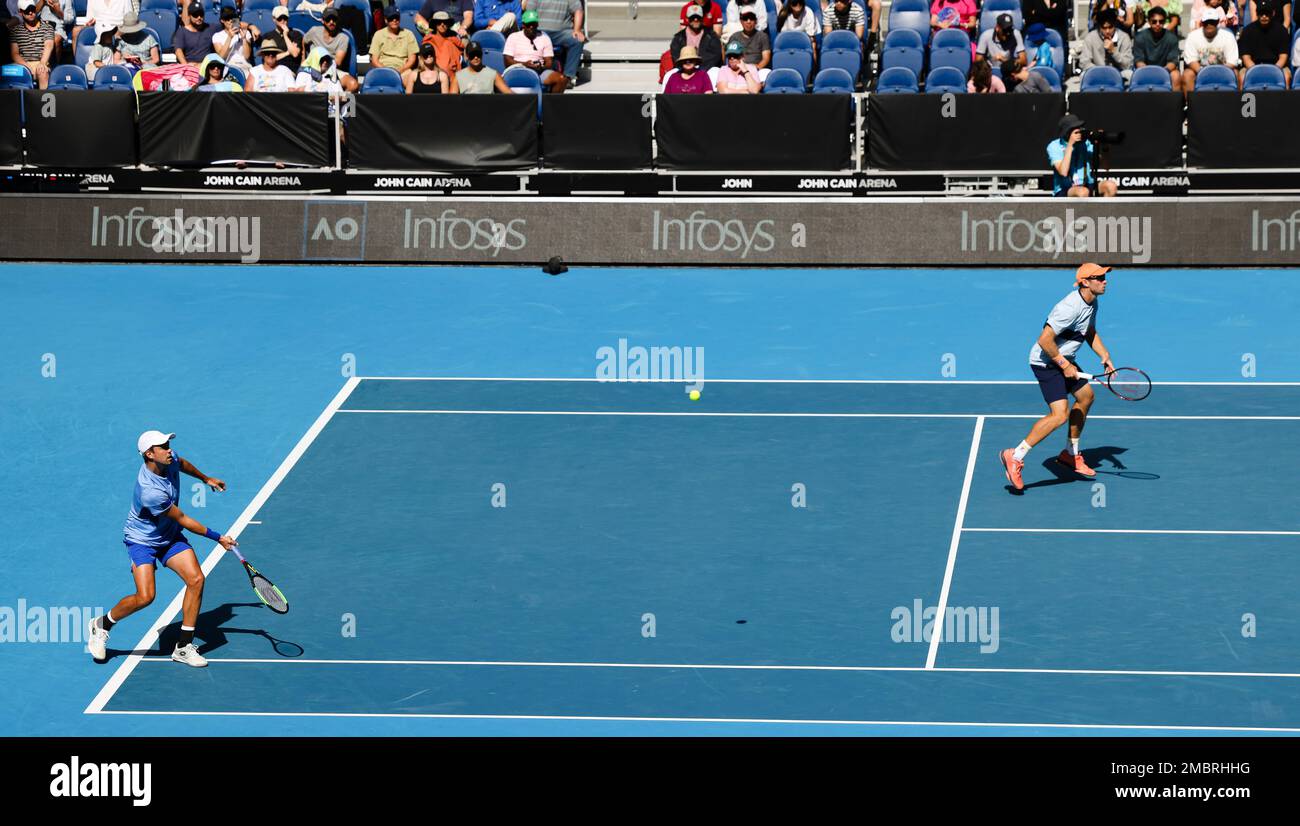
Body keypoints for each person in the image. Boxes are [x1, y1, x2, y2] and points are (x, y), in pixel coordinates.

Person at [85, 432, 237, 667]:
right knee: (146, 597)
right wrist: (218, 538)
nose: (169, 450)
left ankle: (184, 647)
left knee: (196, 579)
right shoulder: (150, 491)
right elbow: (183, 518)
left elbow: (182, 463)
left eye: (168, 445)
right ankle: (101, 625)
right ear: (149, 454)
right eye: (163, 447)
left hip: (168, 536)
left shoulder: (169, 458)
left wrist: (205, 479)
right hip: (142, 541)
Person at [999, 264, 1116, 493]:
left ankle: (1070, 454)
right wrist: (1063, 365)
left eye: (1105, 277)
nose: (1105, 280)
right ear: (1085, 282)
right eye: (1100, 277)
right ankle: (1014, 455)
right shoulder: (1069, 308)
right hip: (1046, 361)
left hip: (1064, 358)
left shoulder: (1092, 302)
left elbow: (1088, 332)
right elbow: (1044, 340)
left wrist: (1105, 355)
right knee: (1059, 415)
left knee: (1086, 396)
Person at [1047, 113, 1118, 197]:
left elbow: (1106, 167)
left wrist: (1105, 149)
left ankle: (1103, 210)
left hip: (1087, 184)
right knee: (1083, 192)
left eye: (1079, 127)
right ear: (1067, 132)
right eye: (1074, 129)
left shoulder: (1086, 143)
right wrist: (1070, 145)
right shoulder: (1054, 146)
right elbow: (1063, 172)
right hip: (1065, 189)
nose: (1079, 131)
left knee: (1110, 186)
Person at [503, 9, 567, 92]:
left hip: (539, 72)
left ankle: (551, 104)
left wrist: (540, 67)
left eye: (533, 24)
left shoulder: (545, 38)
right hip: (517, 70)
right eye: (529, 24)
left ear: (537, 24)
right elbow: (507, 61)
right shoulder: (513, 37)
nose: (531, 27)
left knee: (562, 79)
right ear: (523, 25)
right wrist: (524, 64)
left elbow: (549, 62)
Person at [528, 0, 585, 90]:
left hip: (561, 33)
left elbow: (578, 10)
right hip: (539, 32)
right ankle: (531, 73)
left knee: (577, 40)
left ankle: (568, 77)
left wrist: (577, 30)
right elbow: (530, 13)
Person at [1182, 7, 1239, 91]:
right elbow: (1191, 61)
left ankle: (1236, 102)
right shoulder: (1192, 36)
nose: (1209, 25)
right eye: (1206, 22)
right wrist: (1205, 73)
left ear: (1218, 22)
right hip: (1200, 71)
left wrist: (1216, 73)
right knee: (1187, 74)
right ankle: (1189, 103)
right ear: (1202, 23)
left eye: (1213, 22)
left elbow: (1232, 62)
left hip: (1223, 71)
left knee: (1235, 73)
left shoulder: (1228, 36)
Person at [1237, 0, 1290, 87]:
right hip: (1253, 66)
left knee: (1286, 75)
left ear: (1273, 13)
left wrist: (1273, 70)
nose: (1264, 16)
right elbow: (1246, 58)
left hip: (1276, 66)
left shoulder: (1281, 31)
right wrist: (1257, 71)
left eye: (1267, 13)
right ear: (1257, 14)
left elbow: (1283, 57)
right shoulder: (1248, 31)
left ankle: (1286, 100)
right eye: (1261, 13)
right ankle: (1243, 100)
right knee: (1242, 75)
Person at [304, 8, 358, 91]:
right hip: (313, 68)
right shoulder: (314, 31)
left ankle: (337, 102)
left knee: (353, 84)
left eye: (334, 19)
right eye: (328, 19)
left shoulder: (343, 38)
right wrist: (303, 58)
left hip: (332, 69)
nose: (331, 22)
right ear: (323, 21)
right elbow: (303, 41)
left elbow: (338, 62)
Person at [1133, 4, 1182, 90]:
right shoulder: (1140, 37)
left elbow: (1173, 62)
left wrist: (1161, 73)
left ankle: (1175, 102)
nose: (1158, 24)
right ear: (1149, 21)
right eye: (1154, 21)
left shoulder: (1172, 38)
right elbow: (1139, 61)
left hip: (1165, 70)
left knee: (1176, 75)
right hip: (1145, 70)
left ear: (1164, 21)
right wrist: (1151, 73)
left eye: (1161, 21)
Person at [1078, 9, 1133, 82]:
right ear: (1099, 27)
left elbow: (1128, 65)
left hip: (1118, 74)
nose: (1107, 31)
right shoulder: (1090, 37)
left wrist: (1114, 51)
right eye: (1104, 28)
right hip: (1097, 73)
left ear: (1115, 25)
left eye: (1110, 27)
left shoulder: (1124, 37)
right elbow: (1084, 62)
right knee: (1083, 76)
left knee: (1130, 74)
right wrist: (1100, 72)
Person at [8, 0, 53, 88]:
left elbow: (48, 46)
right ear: (21, 12)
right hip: (22, 64)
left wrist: (42, 63)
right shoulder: (16, 31)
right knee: (6, 71)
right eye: (27, 10)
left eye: (32, 9)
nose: (31, 13)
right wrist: (27, 67)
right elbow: (15, 54)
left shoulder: (47, 27)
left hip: (40, 62)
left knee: (42, 71)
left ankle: (44, 101)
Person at [370, 5, 419, 81]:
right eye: (391, 18)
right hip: (382, 69)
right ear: (386, 20)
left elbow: (412, 59)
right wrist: (387, 71)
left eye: (397, 18)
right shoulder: (378, 34)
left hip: (403, 70)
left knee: (410, 77)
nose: (394, 20)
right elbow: (374, 60)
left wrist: (400, 70)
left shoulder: (408, 34)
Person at [670, 5, 723, 71]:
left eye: (698, 17)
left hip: (705, 71)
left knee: (715, 70)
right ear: (687, 19)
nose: (695, 19)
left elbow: (714, 57)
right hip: (685, 70)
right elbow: (676, 58)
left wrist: (698, 72)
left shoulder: (712, 36)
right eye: (693, 17)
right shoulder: (678, 38)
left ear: (702, 18)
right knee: (672, 72)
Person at [727, 9, 771, 80]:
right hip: (739, 69)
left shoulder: (763, 36)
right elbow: (731, 58)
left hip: (758, 69)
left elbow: (766, 58)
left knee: (766, 73)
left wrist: (756, 68)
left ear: (756, 21)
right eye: (745, 19)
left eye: (751, 18)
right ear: (741, 21)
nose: (748, 21)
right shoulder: (734, 37)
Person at [212, 5, 257, 74]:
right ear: (222, 20)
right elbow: (221, 57)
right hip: (228, 67)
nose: (230, 21)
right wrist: (229, 37)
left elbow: (247, 56)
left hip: (244, 67)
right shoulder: (217, 36)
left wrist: (244, 39)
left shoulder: (245, 32)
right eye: (227, 19)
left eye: (232, 18)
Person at [421, 10, 465, 77]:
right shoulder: (429, 41)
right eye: (439, 22)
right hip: (434, 76)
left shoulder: (454, 41)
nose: (442, 24)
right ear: (435, 24)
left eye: (445, 22)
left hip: (452, 75)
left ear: (448, 24)